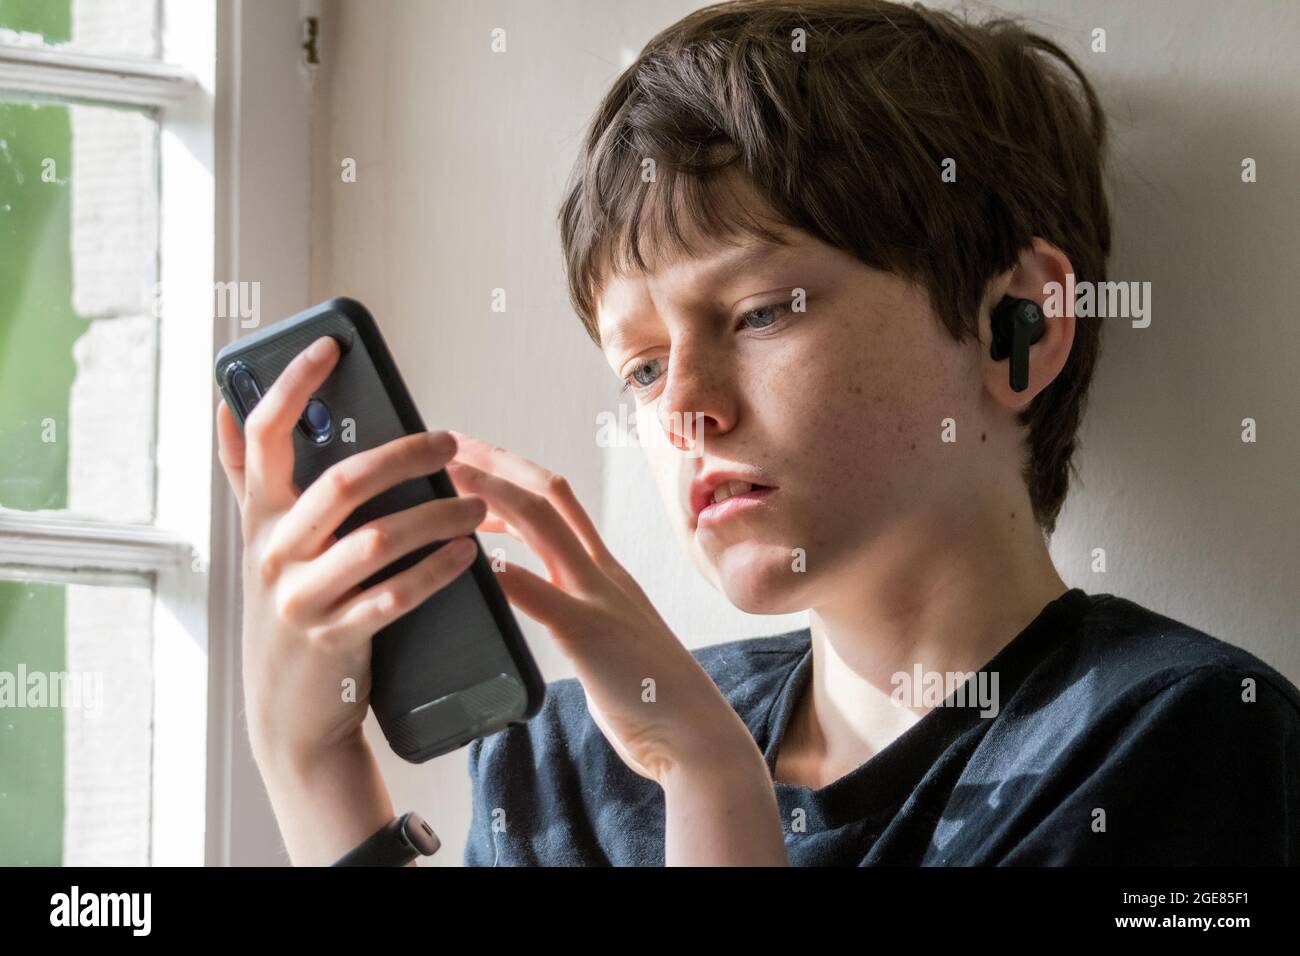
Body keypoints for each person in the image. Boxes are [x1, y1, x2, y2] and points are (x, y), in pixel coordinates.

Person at [215, 0, 1300, 867]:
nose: (685, 406)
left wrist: (714, 784)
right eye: (639, 364)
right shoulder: (574, 757)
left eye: (759, 312)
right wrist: (311, 761)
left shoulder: (1181, 741)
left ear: (1018, 324)